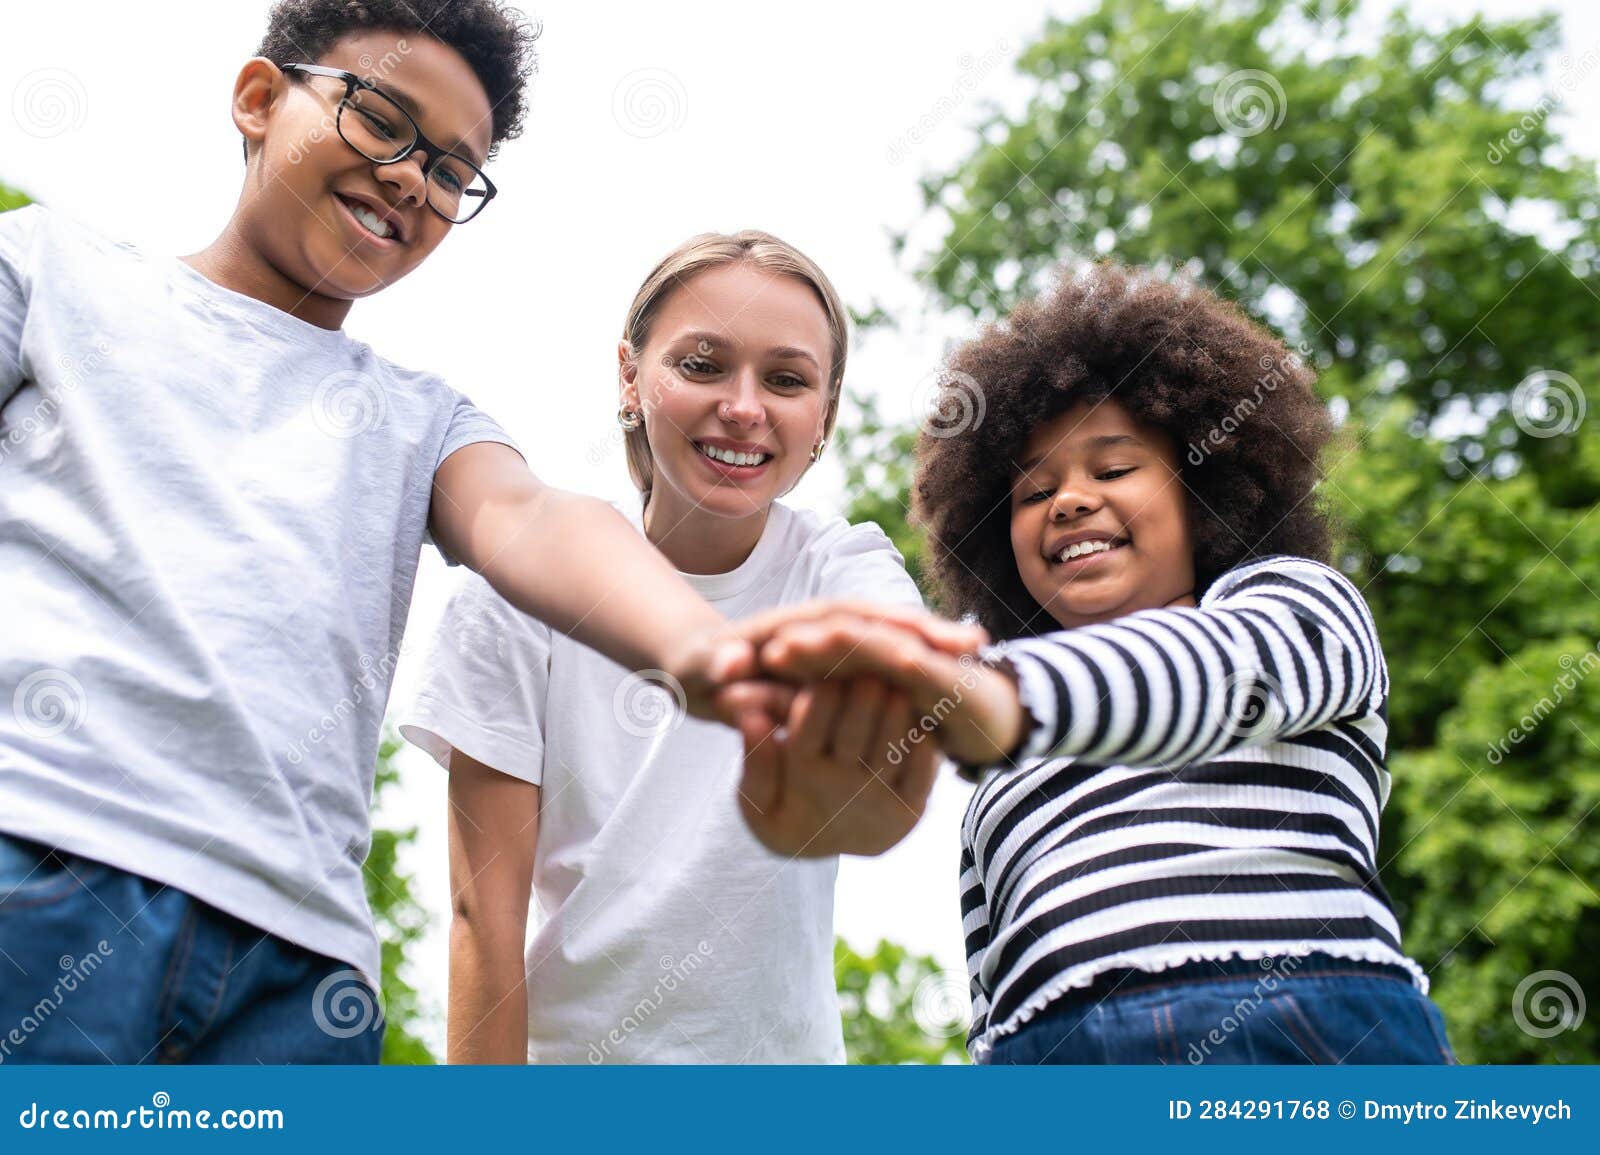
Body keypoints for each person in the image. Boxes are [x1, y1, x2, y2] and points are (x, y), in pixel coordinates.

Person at [0, 0, 769, 1064]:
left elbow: (530, 517)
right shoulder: (52, 270)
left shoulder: (421, 420)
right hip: (41, 868)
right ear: (261, 99)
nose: (414, 177)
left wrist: (712, 650)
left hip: (296, 978)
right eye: (381, 119)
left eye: (454, 171)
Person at [738, 263, 1458, 1065]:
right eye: (1032, 491)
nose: (1070, 500)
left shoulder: (1298, 603)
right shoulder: (1000, 756)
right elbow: (996, 970)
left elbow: (1216, 670)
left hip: (1303, 1020)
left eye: (1114, 469)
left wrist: (1006, 698)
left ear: (1208, 493)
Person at [400, 230, 947, 1063]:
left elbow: (921, 671)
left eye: (787, 379)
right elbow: (485, 919)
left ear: (825, 416)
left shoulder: (839, 565)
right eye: (702, 364)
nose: (744, 406)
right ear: (630, 376)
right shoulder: (519, 592)